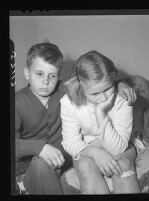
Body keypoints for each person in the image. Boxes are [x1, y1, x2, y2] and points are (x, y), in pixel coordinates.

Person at [15, 42, 136, 195]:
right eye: (39, 74)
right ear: (26, 73)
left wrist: (120, 84)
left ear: (58, 76)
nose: (45, 81)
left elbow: (97, 80)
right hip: (32, 161)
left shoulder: (65, 89)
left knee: (119, 165)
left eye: (52, 75)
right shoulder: (17, 102)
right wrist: (38, 148)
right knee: (41, 164)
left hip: (63, 156)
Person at [60, 50, 141, 194]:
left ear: (114, 80)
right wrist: (95, 153)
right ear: (80, 88)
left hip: (120, 145)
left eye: (108, 88)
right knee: (85, 166)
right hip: (87, 148)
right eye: (95, 93)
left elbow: (118, 148)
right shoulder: (68, 103)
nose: (103, 98)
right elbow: (70, 142)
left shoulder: (122, 98)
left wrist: (100, 114)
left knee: (121, 165)